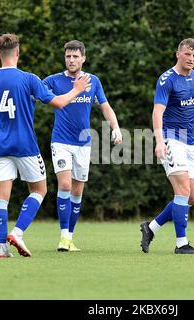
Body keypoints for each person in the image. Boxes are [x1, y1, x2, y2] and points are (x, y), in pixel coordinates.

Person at [0, 33, 89, 258]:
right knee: (40, 190)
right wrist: (76, 90)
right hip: (25, 145)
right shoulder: (29, 79)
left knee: (1, 197)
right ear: (17, 52)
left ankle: (1, 248)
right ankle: (18, 232)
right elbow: (58, 103)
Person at [140, 38, 194, 254]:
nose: (191, 58)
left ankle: (151, 227)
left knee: (192, 197)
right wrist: (158, 141)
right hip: (170, 138)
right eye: (187, 54)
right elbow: (158, 111)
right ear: (178, 54)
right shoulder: (167, 80)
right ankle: (182, 244)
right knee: (182, 189)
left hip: (190, 142)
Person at [43, 40, 122, 252]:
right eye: (68, 56)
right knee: (65, 185)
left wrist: (115, 128)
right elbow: (34, 94)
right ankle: (62, 237)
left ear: (83, 58)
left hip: (83, 144)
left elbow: (105, 107)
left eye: (75, 56)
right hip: (60, 141)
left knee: (77, 191)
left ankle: (69, 237)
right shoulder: (53, 81)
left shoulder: (92, 81)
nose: (71, 60)